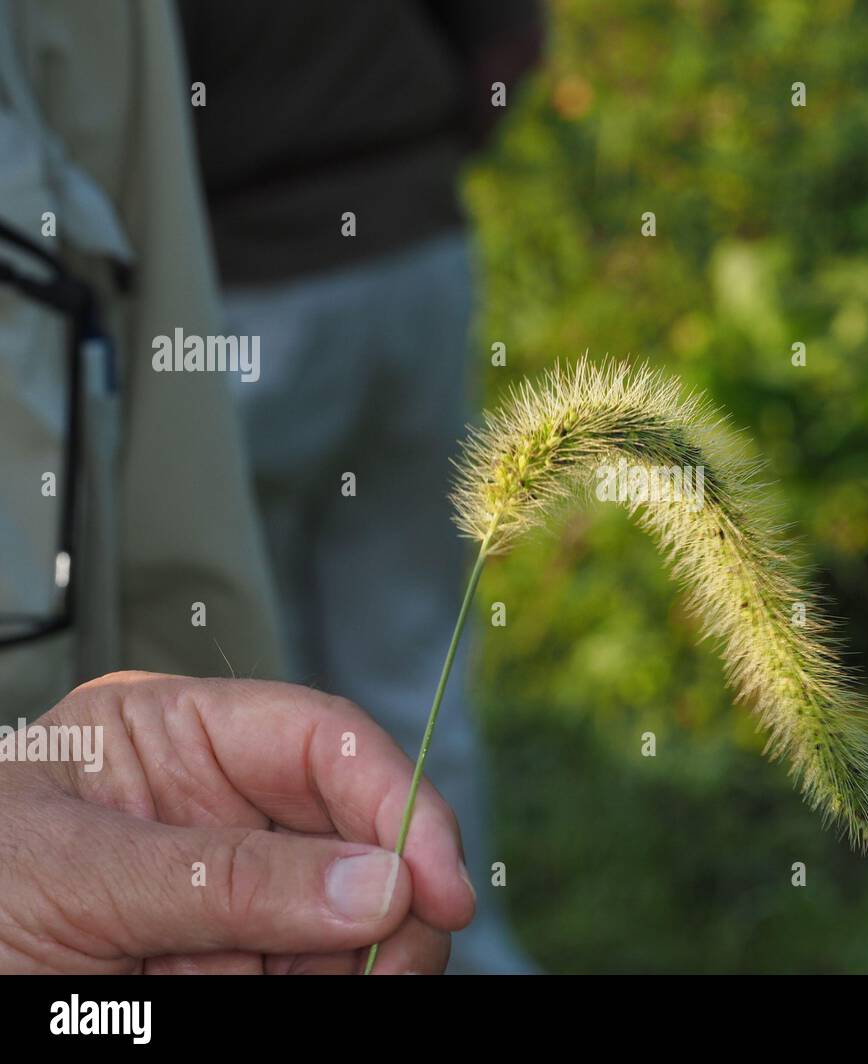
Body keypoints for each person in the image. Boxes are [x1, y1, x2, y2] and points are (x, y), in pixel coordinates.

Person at [0, 0, 469, 972]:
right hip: (416, 248)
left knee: (299, 675)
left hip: (259, 287)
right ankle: (436, 920)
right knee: (403, 660)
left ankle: (392, 904)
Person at [179, 0, 545, 973]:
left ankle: (334, 940)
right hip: (413, 252)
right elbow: (509, 40)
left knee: (245, 664)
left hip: (239, 285)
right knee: (410, 651)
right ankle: (459, 946)